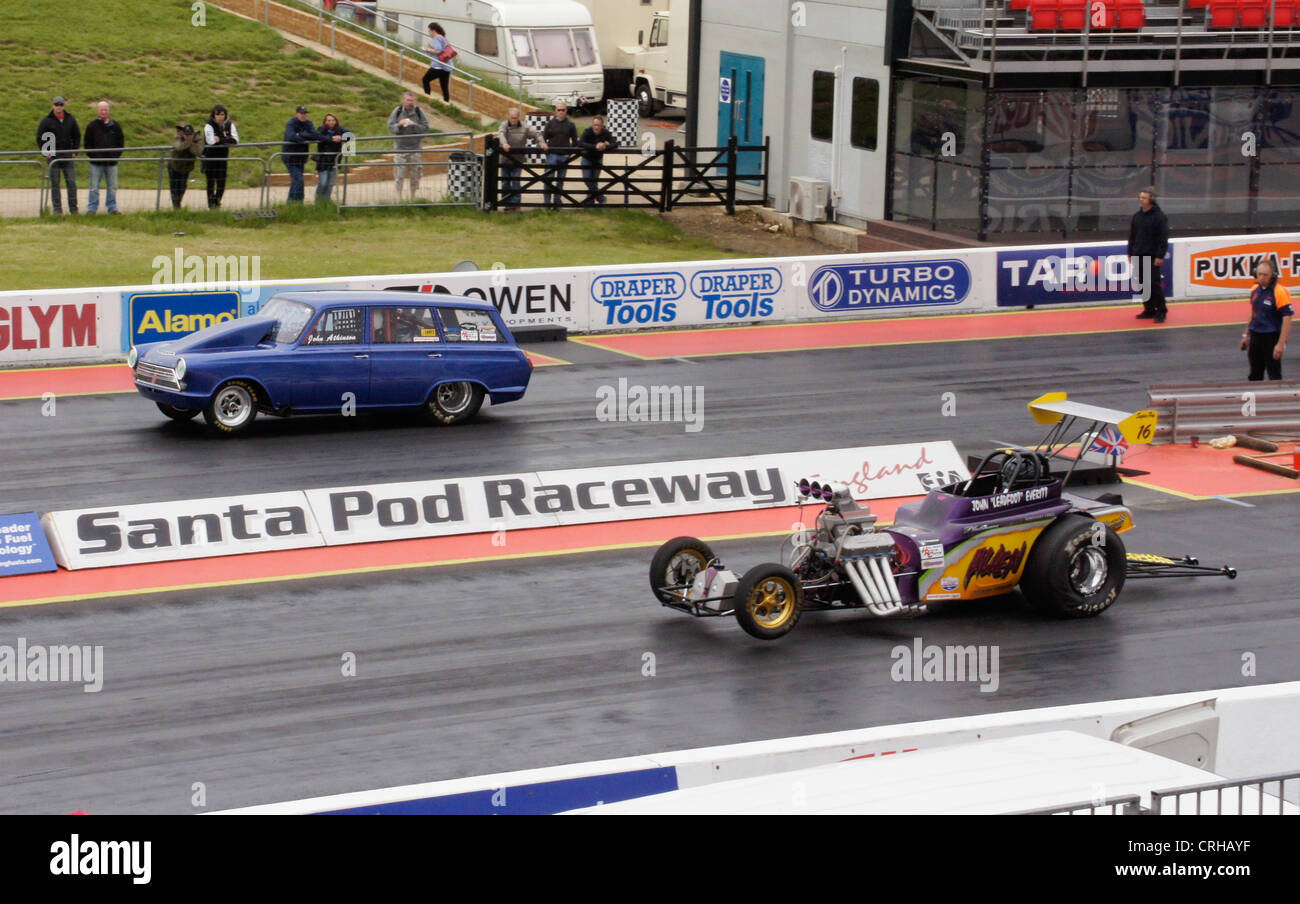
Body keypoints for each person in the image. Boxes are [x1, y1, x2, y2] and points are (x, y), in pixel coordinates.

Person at [1240, 259, 1292, 381]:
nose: (1262, 278)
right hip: (1256, 336)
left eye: (1265, 275)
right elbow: (1253, 313)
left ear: (1272, 275)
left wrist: (1281, 344)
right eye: (1259, 274)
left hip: (1271, 337)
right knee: (1254, 374)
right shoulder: (1254, 289)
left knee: (1274, 374)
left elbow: (1287, 318)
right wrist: (1246, 335)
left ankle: (1277, 399)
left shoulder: (1279, 292)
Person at [1128, 187, 1170, 323]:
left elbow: (1163, 237)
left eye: (1144, 198)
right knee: (1142, 284)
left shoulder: (1159, 216)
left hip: (1152, 255)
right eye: (1140, 197)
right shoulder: (1137, 216)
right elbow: (1132, 236)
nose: (1141, 200)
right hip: (1139, 253)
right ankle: (1149, 309)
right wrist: (1130, 252)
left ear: (1151, 199)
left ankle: (1161, 311)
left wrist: (1160, 255)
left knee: (1153, 284)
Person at [36, 96, 80, 215]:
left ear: (64, 106)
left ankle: (74, 209)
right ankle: (57, 210)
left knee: (71, 183)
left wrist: (75, 151)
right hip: (54, 158)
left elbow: (77, 136)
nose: (58, 107)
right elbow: (40, 137)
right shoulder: (46, 121)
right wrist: (46, 153)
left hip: (67, 157)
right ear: (53, 106)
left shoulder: (70, 119)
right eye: (56, 104)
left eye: (61, 104)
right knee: (55, 184)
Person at [497, 107, 542, 210]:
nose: (513, 120)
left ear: (519, 117)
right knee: (505, 182)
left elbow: (536, 133)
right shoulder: (504, 125)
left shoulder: (525, 127)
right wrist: (504, 144)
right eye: (512, 118)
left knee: (516, 181)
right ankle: (507, 203)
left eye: (516, 118)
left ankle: (516, 204)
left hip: (518, 160)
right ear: (509, 117)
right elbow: (501, 134)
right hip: (505, 159)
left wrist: (541, 142)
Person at [83, 100, 124, 215]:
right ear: (98, 111)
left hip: (111, 163)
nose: (103, 112)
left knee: (112, 187)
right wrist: (93, 156)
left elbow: (121, 142)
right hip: (96, 163)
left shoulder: (115, 126)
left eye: (105, 109)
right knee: (94, 187)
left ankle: (112, 207)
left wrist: (115, 156)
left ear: (109, 111)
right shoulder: (92, 126)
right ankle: (92, 208)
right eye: (101, 110)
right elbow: (87, 143)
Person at [387, 92, 429, 201]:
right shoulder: (397, 111)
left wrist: (415, 125)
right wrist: (399, 125)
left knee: (415, 174)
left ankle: (412, 198)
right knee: (399, 175)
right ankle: (399, 198)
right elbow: (390, 126)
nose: (410, 102)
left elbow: (426, 128)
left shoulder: (419, 112)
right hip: (400, 148)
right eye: (408, 100)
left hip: (415, 148)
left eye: (412, 100)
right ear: (403, 100)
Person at [202, 104, 240, 209]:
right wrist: (226, 139)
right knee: (210, 182)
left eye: (222, 114)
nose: (220, 117)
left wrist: (221, 139)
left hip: (223, 158)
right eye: (217, 114)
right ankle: (211, 205)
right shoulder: (208, 125)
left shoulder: (229, 124)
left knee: (221, 183)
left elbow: (235, 140)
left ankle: (217, 201)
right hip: (210, 158)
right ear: (213, 115)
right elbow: (211, 141)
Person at [541, 102, 577, 209]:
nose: (561, 112)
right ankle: (547, 203)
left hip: (564, 157)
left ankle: (557, 203)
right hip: (552, 156)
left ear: (566, 111)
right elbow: (543, 139)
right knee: (548, 180)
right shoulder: (550, 123)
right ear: (555, 111)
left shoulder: (571, 124)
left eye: (563, 110)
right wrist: (547, 153)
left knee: (560, 182)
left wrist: (569, 154)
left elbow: (575, 142)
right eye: (559, 110)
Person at [578, 114, 619, 206]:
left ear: (602, 126)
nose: (596, 127)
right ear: (592, 125)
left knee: (594, 181)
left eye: (598, 125)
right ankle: (601, 198)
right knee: (587, 179)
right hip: (587, 158)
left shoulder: (605, 132)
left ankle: (589, 202)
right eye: (594, 125)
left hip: (598, 159)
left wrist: (605, 146)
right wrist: (595, 146)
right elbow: (580, 143)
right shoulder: (587, 131)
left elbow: (615, 143)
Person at [282, 105, 319, 203]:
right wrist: (305, 138)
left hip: (301, 157)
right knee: (298, 179)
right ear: (296, 114)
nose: (303, 115)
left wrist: (300, 135)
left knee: (298, 180)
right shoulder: (291, 123)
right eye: (301, 113)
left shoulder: (309, 123)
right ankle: (292, 202)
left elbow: (315, 136)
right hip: (290, 157)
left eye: (305, 113)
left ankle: (297, 202)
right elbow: (290, 136)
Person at [168, 123, 204, 209]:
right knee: (174, 187)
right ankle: (176, 207)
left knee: (182, 186)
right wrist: (189, 143)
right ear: (183, 133)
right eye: (186, 135)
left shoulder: (198, 138)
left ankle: (178, 203)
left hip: (186, 167)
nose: (188, 137)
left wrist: (189, 144)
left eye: (190, 135)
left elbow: (199, 152)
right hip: (174, 165)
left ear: (193, 134)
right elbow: (178, 147)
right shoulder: (178, 136)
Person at [314, 112, 346, 202]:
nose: (331, 122)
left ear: (336, 121)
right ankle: (318, 201)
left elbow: (350, 134)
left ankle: (326, 202)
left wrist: (341, 137)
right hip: (323, 160)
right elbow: (318, 136)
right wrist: (332, 139)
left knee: (331, 183)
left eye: (333, 120)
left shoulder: (340, 129)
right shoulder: (321, 129)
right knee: (323, 182)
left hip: (335, 159)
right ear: (325, 121)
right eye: (328, 120)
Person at [421, 23, 453, 103]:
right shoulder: (443, 38)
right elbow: (443, 49)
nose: (429, 33)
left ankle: (427, 97)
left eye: (429, 31)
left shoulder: (436, 38)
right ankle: (447, 103)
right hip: (446, 66)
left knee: (425, 80)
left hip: (438, 66)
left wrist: (427, 50)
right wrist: (432, 47)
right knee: (444, 87)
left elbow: (438, 50)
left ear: (433, 30)